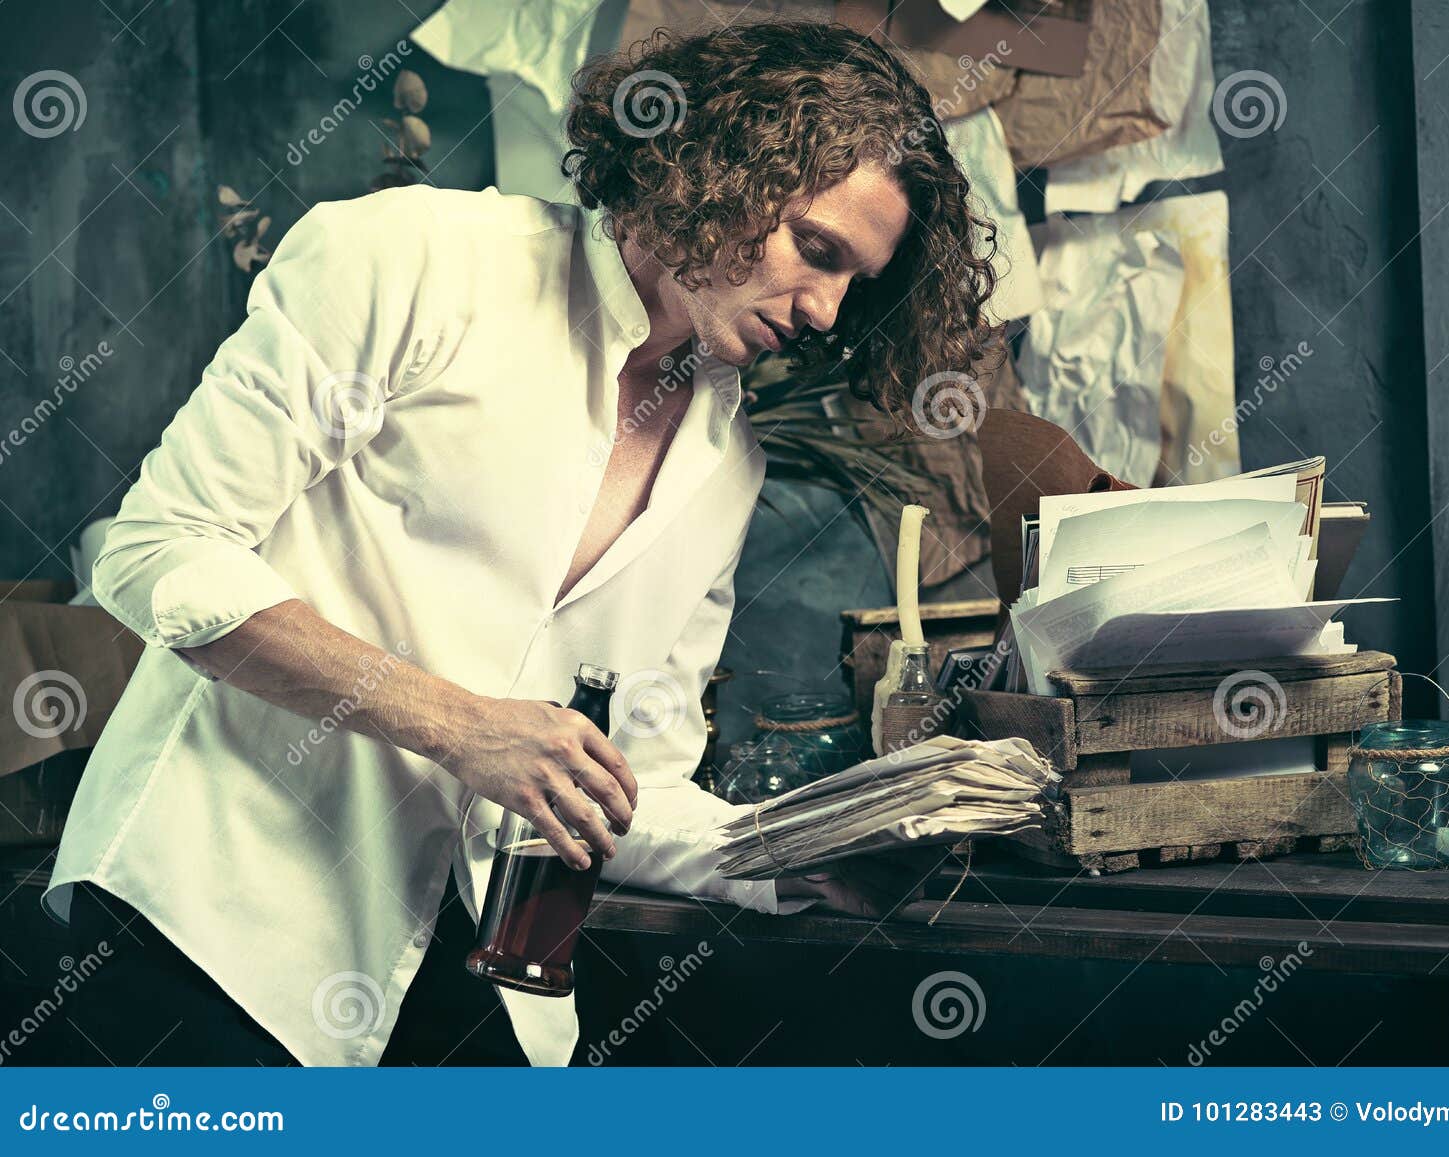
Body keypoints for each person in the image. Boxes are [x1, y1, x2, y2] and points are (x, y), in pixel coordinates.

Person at [43, 19, 1000, 1066]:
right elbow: (159, 548)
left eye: (854, 283)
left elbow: (629, 782)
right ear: (722, 165)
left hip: (474, 972)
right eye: (816, 250)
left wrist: (786, 858)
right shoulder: (412, 257)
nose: (824, 308)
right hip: (213, 921)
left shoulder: (728, 467)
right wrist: (460, 725)